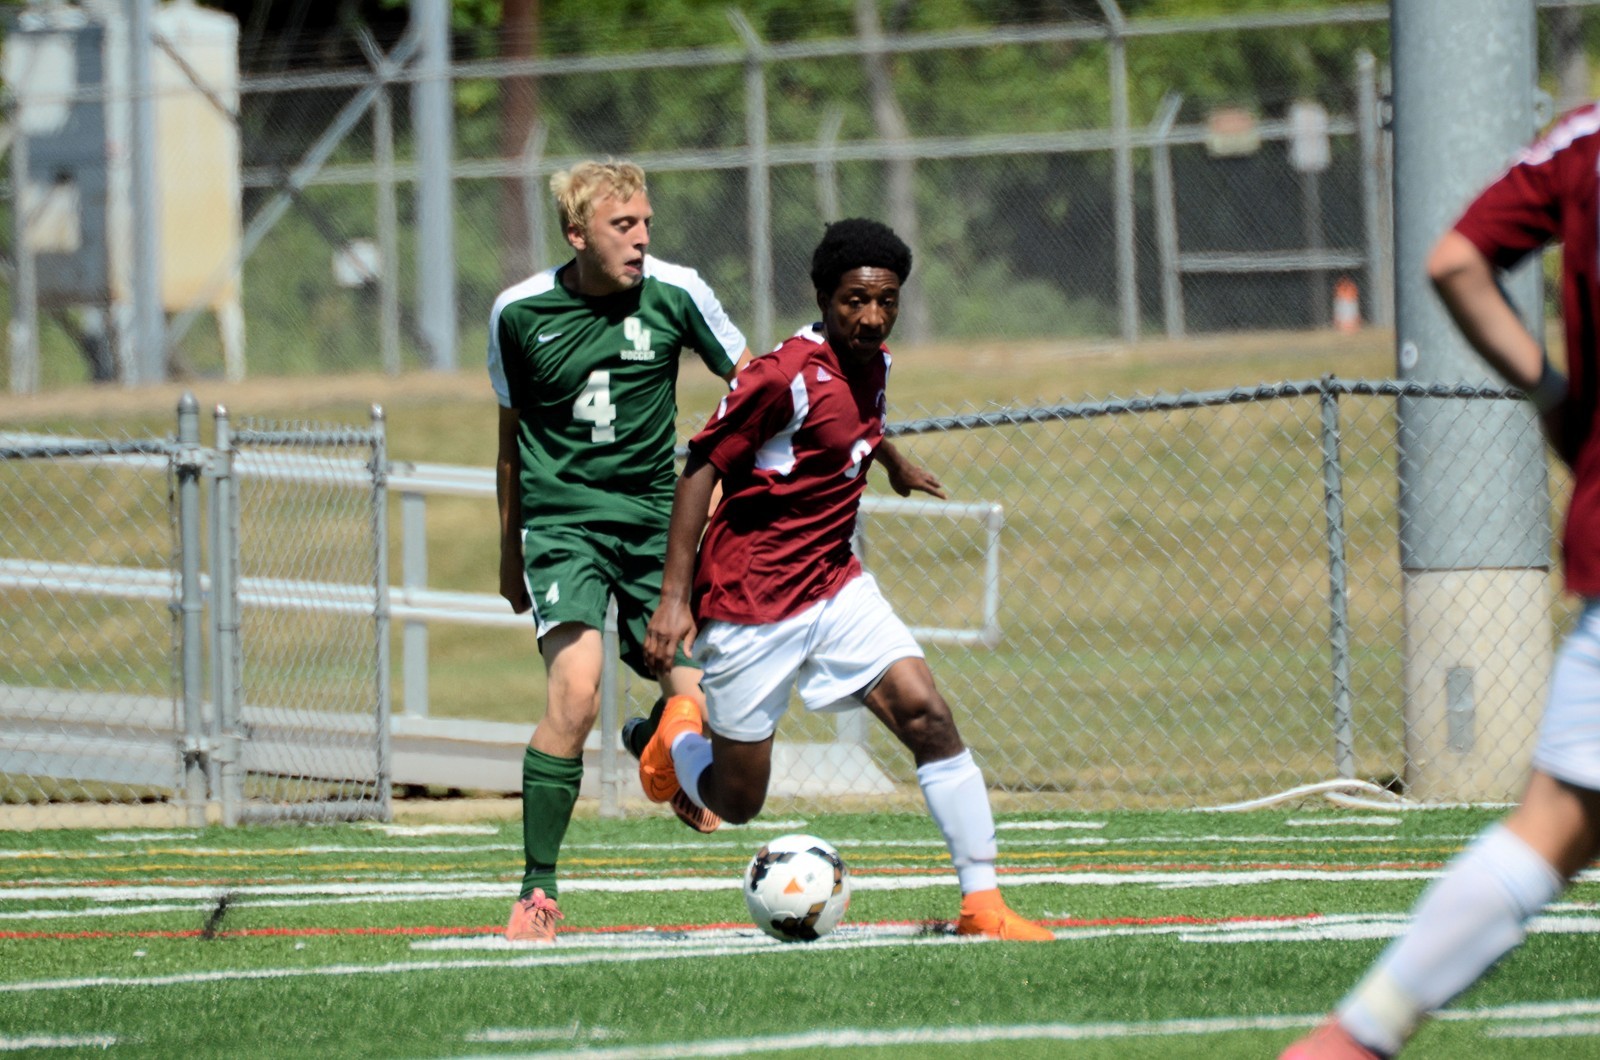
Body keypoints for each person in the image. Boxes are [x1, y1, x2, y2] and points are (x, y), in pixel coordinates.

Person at [1281, 106, 1600, 1057]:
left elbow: (1455, 261)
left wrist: (1554, 396)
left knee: (1553, 826)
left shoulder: (1584, 141)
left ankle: (1352, 1038)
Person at [638, 217, 1055, 942]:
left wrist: (891, 460)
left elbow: (856, 420)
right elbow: (700, 466)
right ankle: (676, 734)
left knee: (928, 714)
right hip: (751, 602)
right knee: (737, 802)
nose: (870, 317)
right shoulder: (779, 376)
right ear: (824, 297)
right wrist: (674, 601)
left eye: (885, 301)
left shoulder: (875, 361)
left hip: (835, 584)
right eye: (854, 301)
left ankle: (982, 906)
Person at [489, 160, 753, 943]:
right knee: (574, 694)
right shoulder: (519, 312)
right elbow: (508, 443)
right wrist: (510, 554)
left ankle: (652, 741)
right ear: (577, 235)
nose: (641, 240)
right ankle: (538, 890)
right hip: (562, 523)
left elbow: (754, 387)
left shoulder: (679, 293)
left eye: (645, 223)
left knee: (709, 701)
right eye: (621, 227)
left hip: (653, 526)